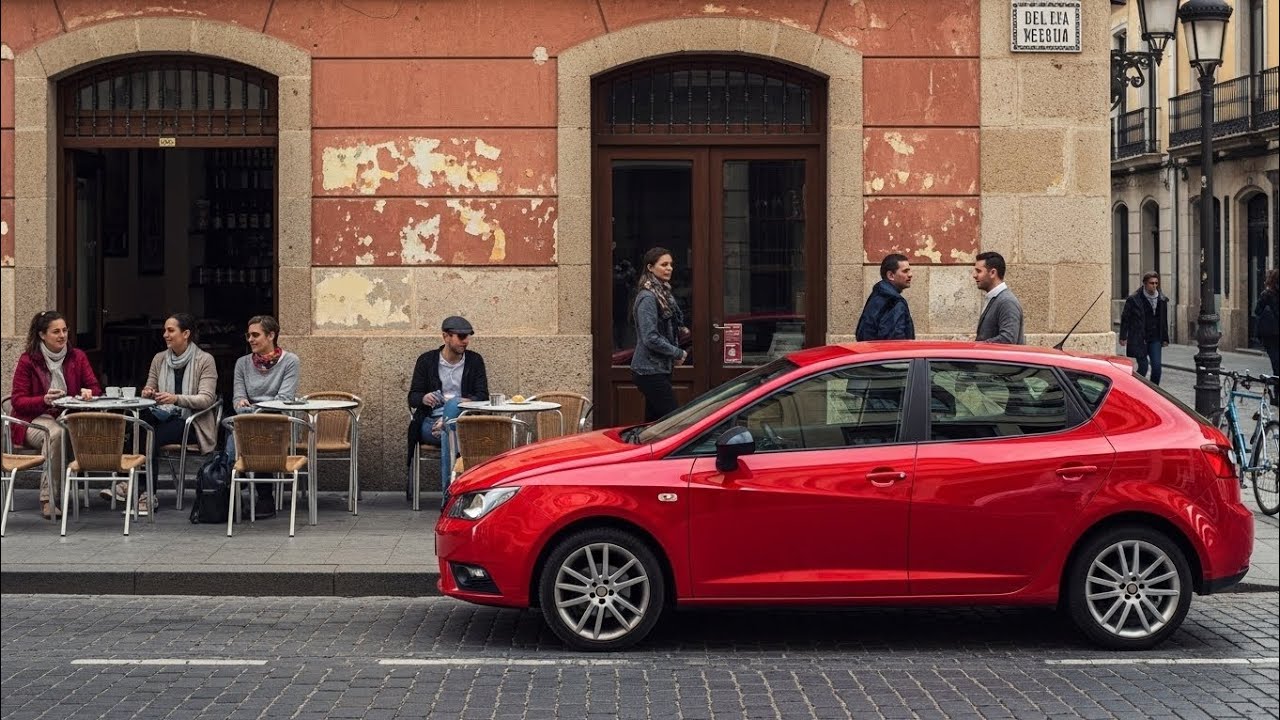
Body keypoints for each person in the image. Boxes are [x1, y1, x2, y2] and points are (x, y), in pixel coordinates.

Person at [116, 313, 219, 513]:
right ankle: (130, 484)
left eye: (170, 330)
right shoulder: (159, 359)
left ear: (186, 333)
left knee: (149, 435)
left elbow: (206, 398)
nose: (165, 335)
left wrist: (176, 398)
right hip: (162, 416)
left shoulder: (205, 360)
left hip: (191, 422)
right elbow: (149, 388)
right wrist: (149, 393)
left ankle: (143, 491)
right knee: (133, 425)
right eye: (165, 330)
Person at [8, 311, 102, 519]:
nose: (62, 336)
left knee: (87, 428)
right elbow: (18, 401)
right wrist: (44, 400)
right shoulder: (28, 361)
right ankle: (48, 498)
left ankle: (120, 482)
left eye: (65, 330)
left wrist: (88, 393)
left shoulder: (77, 356)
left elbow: (95, 387)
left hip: (68, 416)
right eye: (56, 331)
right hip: (32, 420)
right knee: (57, 434)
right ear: (42, 335)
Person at [406, 316, 490, 504]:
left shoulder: (474, 361)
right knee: (450, 429)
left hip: (463, 422)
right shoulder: (426, 361)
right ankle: (454, 496)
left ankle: (448, 496)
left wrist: (461, 403)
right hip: (429, 424)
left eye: (467, 336)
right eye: (461, 337)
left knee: (449, 428)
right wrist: (424, 398)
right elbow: (413, 397)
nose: (465, 341)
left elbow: (483, 396)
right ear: (446, 337)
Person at [229, 315, 300, 519]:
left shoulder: (290, 362)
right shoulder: (242, 364)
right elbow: (238, 398)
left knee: (255, 437)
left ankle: (264, 498)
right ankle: (227, 495)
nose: (250, 339)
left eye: (255, 335)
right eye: (248, 335)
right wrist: (243, 405)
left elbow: (283, 399)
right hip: (247, 421)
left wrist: (253, 408)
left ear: (271, 335)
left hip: (276, 422)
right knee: (234, 442)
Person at [630, 247, 687, 422]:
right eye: (664, 264)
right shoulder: (648, 297)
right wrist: (677, 352)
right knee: (673, 420)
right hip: (648, 370)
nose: (669, 268)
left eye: (670, 264)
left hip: (660, 368)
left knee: (655, 424)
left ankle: (645, 448)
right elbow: (650, 337)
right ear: (650, 267)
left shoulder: (664, 293)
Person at [1119, 272, 1171, 385]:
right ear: (1145, 284)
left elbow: (1163, 321)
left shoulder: (1162, 299)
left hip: (1155, 339)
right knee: (1143, 368)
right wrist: (1123, 336)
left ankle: (1153, 392)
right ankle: (1133, 387)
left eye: (1156, 283)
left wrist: (1165, 338)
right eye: (1151, 283)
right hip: (1139, 338)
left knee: (1157, 368)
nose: (1154, 285)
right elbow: (1125, 319)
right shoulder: (1134, 299)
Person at [855, 253, 916, 341]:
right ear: (891, 275)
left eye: (909, 270)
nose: (910, 274)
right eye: (905, 271)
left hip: (871, 352)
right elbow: (895, 341)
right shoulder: (894, 301)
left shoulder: (877, 296)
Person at [972, 251, 1025, 345]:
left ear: (992, 273)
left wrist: (978, 346)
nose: (974, 275)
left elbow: (1008, 339)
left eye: (979, 271)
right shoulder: (996, 298)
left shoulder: (1007, 302)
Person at [1254, 269, 1279, 376]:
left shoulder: (1266, 294)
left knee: (1276, 364)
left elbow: (1257, 311)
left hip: (1271, 334)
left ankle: (1277, 389)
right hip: (1273, 333)